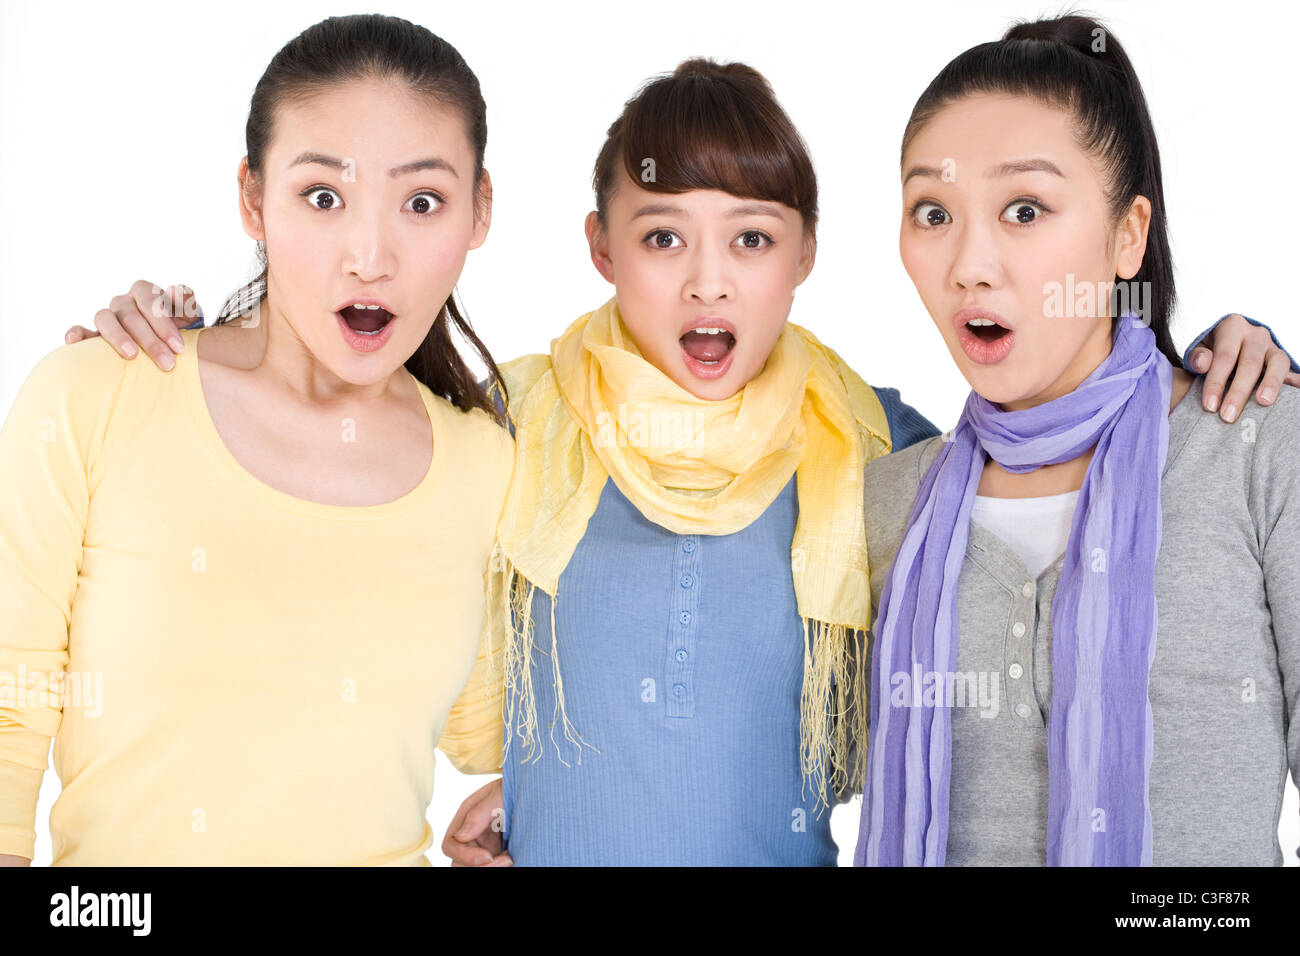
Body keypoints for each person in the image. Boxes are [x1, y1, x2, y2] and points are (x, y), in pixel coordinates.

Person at [69, 58, 1296, 868]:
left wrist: (1226, 351)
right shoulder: (516, 424)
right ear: (600, 248)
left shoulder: (875, 449)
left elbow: (1085, 420)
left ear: (805, 253)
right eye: (663, 236)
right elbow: (340, 403)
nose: (707, 282)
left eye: (750, 238)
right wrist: (191, 324)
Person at [0, 14, 512, 866]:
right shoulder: (97, 395)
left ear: (479, 211)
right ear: (252, 198)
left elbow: (490, 734)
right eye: (323, 197)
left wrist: (517, 806)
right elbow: (10, 705)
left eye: (422, 202)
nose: (370, 256)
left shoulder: (486, 462)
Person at [856, 13, 1299, 866]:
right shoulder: (887, 494)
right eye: (933, 211)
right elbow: (786, 766)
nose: (970, 264)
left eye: (1025, 209)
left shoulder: (1259, 450)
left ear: (1127, 235)